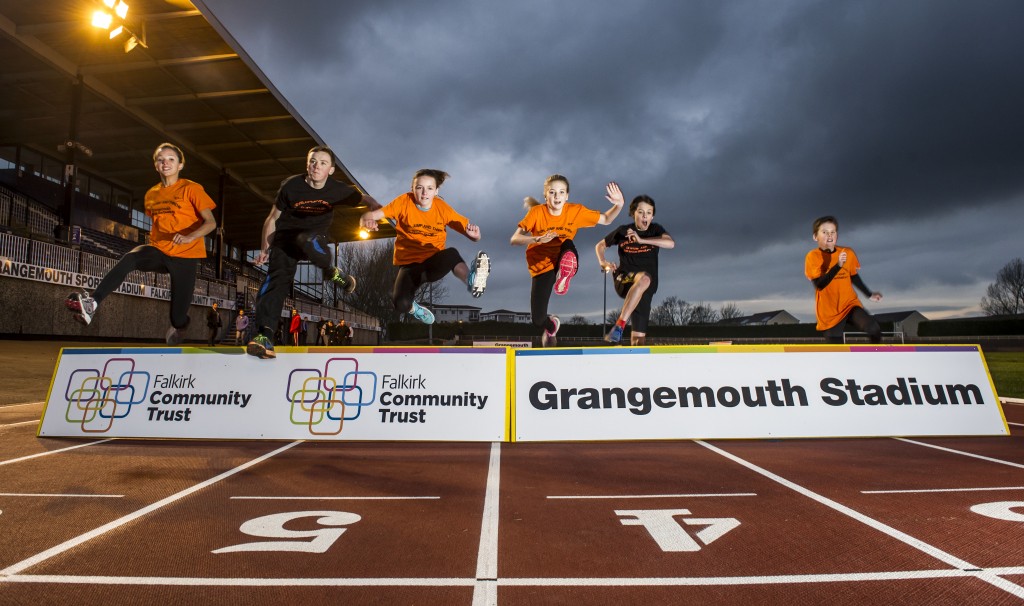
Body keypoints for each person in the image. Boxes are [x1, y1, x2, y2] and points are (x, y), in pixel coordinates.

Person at [64, 142, 217, 345]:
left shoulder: (192, 189)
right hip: (160, 250)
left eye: (171, 159)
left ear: (180, 165)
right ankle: (93, 303)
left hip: (186, 256)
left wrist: (190, 236)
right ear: (156, 165)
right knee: (131, 258)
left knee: (177, 317)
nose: (165, 163)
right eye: (161, 160)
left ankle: (181, 326)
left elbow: (211, 223)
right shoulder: (151, 195)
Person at [246, 146, 381, 359]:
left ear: (331, 170)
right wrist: (265, 248)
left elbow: (367, 199)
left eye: (323, 163)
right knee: (275, 281)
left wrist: (373, 212)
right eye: (313, 161)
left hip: (314, 237)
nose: (317, 166)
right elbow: (272, 218)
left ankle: (330, 271)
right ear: (307, 164)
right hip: (285, 240)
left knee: (307, 239)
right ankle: (264, 336)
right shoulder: (291, 186)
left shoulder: (338, 189)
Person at [360, 169, 489, 325]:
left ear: (436, 191)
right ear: (412, 189)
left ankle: (472, 280)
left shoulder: (442, 208)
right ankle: (415, 309)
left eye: (429, 188)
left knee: (451, 254)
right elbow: (373, 215)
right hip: (409, 266)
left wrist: (475, 236)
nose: (424, 193)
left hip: (432, 262)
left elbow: (473, 236)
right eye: (419, 188)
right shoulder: (404, 202)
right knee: (400, 304)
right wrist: (367, 220)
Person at [510, 175, 624, 347]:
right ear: (546, 195)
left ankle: (565, 272)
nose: (557, 197)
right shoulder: (536, 213)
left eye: (561, 192)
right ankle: (551, 326)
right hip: (541, 264)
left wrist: (619, 204)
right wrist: (537, 239)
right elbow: (515, 239)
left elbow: (606, 219)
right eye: (552, 192)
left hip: (563, 255)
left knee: (567, 244)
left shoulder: (575, 211)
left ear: (567, 196)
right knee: (538, 320)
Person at [595, 194, 674, 345]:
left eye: (648, 213)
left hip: (645, 290)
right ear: (633, 214)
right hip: (625, 279)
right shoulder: (623, 231)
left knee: (638, 340)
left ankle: (630, 352)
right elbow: (600, 245)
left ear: (652, 216)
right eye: (641, 212)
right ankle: (619, 326)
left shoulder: (656, 230)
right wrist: (602, 261)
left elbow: (670, 244)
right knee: (644, 278)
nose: (645, 216)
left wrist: (641, 240)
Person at [805, 215, 883, 344]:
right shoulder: (813, 256)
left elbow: (853, 276)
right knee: (836, 349)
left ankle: (875, 354)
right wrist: (838, 266)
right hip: (829, 312)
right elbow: (820, 284)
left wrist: (869, 294)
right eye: (824, 232)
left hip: (849, 304)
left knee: (873, 328)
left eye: (833, 232)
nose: (829, 235)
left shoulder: (847, 252)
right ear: (815, 237)